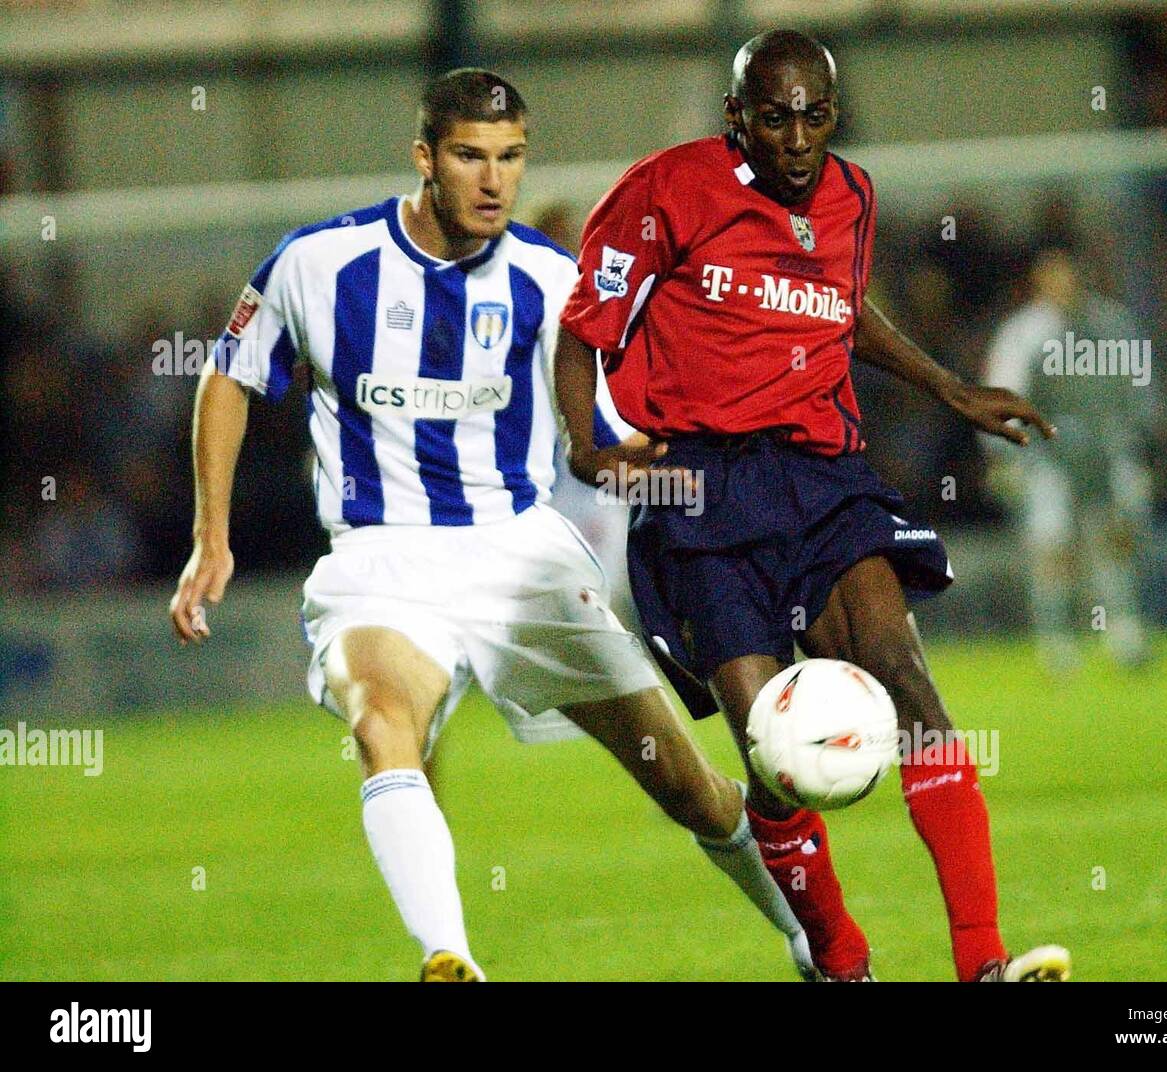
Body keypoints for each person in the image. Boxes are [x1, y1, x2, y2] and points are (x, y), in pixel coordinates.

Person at [169, 68, 817, 982]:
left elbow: (623, 420)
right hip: (381, 559)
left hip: (521, 558)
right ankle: (450, 955)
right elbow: (229, 374)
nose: (493, 180)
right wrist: (211, 536)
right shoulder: (318, 265)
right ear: (426, 159)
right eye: (471, 156)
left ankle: (812, 944)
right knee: (383, 720)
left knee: (686, 783)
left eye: (511, 158)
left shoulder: (554, 281)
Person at [555, 30, 1071, 982]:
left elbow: (842, 308)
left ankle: (984, 962)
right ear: (737, 117)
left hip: (823, 476)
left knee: (909, 684)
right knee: (771, 753)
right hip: (700, 491)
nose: (798, 139)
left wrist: (953, 388)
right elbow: (584, 328)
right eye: (775, 116)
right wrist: (587, 444)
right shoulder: (663, 191)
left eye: (815, 116)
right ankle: (837, 958)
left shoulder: (852, 195)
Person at [985, 246, 1154, 671]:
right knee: (1052, 546)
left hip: (1107, 449)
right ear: (1040, 283)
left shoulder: (1113, 325)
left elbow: (1139, 391)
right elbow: (1004, 396)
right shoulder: (1023, 333)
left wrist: (1142, 446)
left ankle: (1125, 634)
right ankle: (1057, 644)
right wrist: (1007, 455)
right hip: (1047, 456)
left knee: (1116, 539)